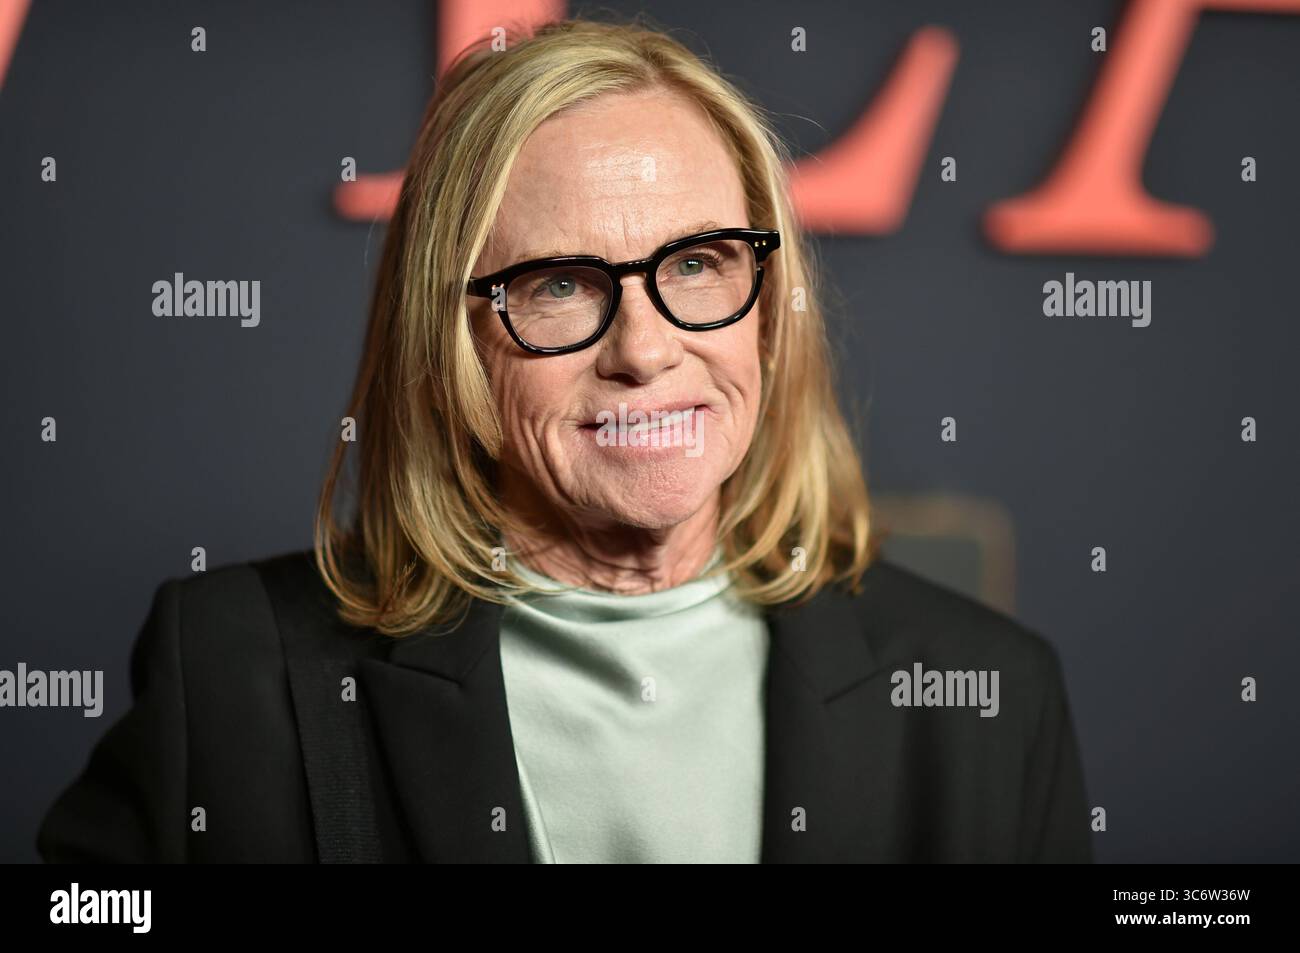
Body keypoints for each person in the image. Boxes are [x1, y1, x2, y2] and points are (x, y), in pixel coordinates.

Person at [37, 17, 1091, 863]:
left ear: (768, 307)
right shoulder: (230, 670)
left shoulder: (988, 692)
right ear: (448, 337)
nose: (644, 347)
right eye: (556, 284)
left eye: (695, 264)